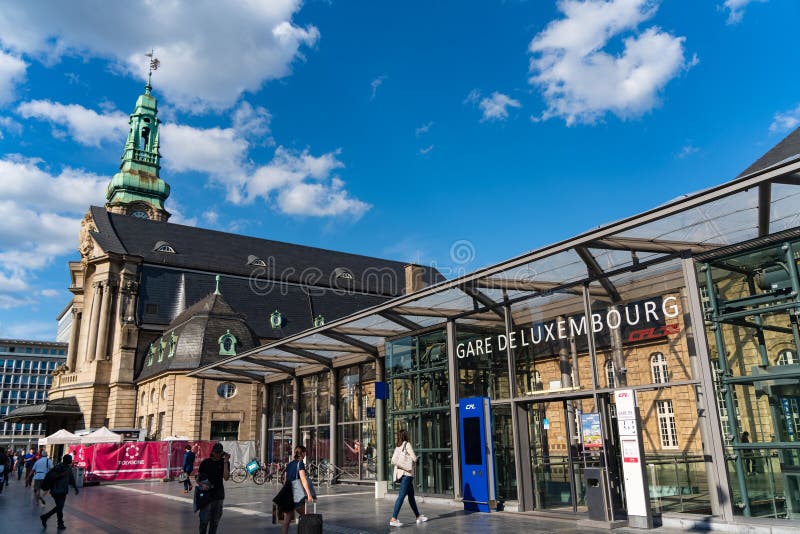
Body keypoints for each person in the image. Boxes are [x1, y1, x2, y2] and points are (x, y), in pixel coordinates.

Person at [389, 430, 427, 527]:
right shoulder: (407, 444)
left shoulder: (398, 446)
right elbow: (414, 458)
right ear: (406, 435)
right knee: (401, 496)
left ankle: (418, 516)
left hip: (400, 474)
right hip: (407, 473)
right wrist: (416, 458)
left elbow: (393, 460)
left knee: (411, 496)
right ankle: (393, 518)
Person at [196, 442, 230, 534]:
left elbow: (226, 478)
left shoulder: (224, 463)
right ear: (212, 452)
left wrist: (226, 461)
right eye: (216, 452)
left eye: (220, 452)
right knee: (204, 521)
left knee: (214, 522)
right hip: (206, 496)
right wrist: (202, 485)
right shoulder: (205, 463)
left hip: (218, 496)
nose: (218, 454)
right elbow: (197, 478)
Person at [281, 445, 315, 534]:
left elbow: (285, 479)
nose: (305, 454)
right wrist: (309, 494)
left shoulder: (290, 464)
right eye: (305, 452)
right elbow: (303, 480)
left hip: (287, 491)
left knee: (287, 518)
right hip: (295, 492)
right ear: (302, 453)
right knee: (306, 515)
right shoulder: (300, 463)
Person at [40, 454, 78, 530]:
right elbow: (51, 476)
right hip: (56, 490)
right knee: (60, 507)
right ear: (65, 459)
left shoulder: (68, 468)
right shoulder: (58, 467)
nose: (71, 460)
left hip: (63, 490)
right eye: (70, 459)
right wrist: (60, 475)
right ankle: (58, 522)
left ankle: (47, 517)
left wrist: (75, 487)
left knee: (60, 507)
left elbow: (71, 479)